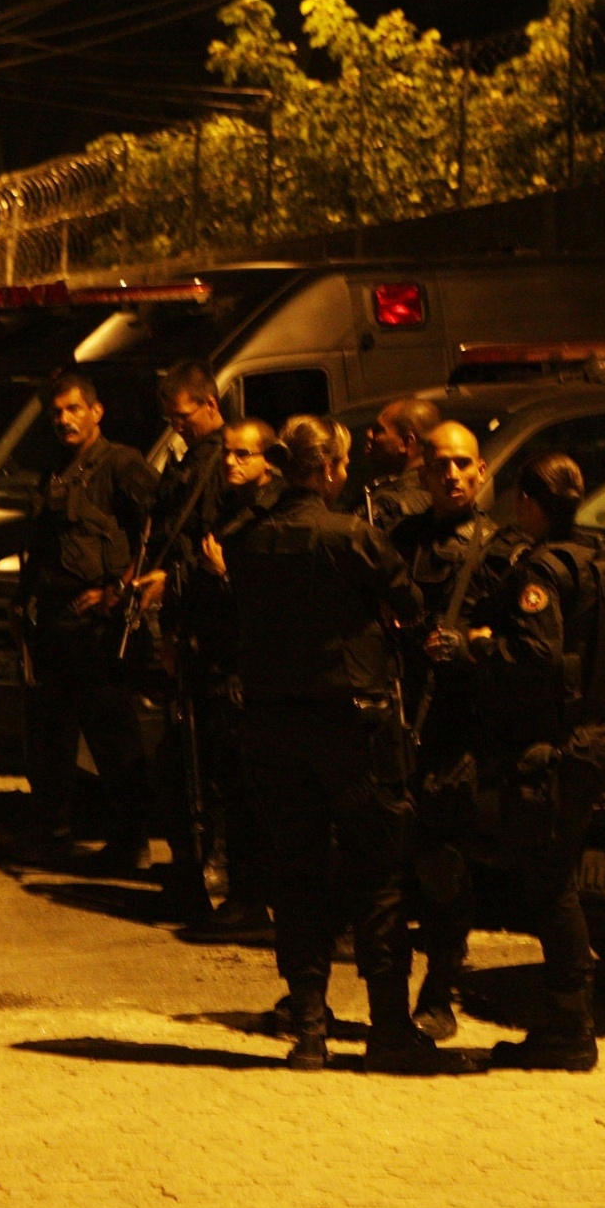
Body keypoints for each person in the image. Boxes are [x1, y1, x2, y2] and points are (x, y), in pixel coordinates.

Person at [222, 415, 466, 1074]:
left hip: (274, 726)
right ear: (328, 469)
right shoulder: (351, 535)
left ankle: (308, 1029)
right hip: (351, 726)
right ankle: (388, 1025)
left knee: (296, 875)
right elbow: (406, 603)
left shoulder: (247, 537)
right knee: (378, 876)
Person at [463, 453, 605, 1071]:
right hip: (594, 742)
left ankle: (570, 1028)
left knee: (552, 890)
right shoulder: (604, 562)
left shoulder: (542, 567)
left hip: (552, 748)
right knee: (558, 879)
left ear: (531, 503)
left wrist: (477, 648)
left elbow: (534, 657)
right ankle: (568, 1022)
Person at [390, 421, 529, 1040]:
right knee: (389, 867)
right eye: (440, 464)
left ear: (481, 474)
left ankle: (439, 991)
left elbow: (528, 650)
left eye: (462, 464)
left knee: (445, 866)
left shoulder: (505, 553)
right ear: (422, 474)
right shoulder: (400, 540)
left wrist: (474, 648)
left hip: (460, 731)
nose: (451, 474)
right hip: (399, 725)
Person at [9, 372, 158, 869]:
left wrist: (117, 591)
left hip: (100, 626)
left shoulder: (123, 465)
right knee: (51, 738)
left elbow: (153, 533)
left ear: (97, 411)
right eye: (56, 412)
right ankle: (52, 833)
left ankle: (129, 841)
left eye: (74, 409)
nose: (64, 419)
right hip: (55, 621)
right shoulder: (56, 467)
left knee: (113, 738)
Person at [135, 360, 233, 918]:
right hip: (185, 628)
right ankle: (190, 870)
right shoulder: (189, 462)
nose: (178, 428)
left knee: (212, 768)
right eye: (170, 419)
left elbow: (217, 546)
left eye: (183, 417)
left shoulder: (222, 462)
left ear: (210, 405)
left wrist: (170, 580)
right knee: (180, 763)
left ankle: (218, 877)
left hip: (214, 632)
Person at [181, 416, 284, 943]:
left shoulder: (271, 515)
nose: (230, 463)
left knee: (253, 793)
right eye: (226, 453)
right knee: (228, 786)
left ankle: (255, 897)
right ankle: (242, 891)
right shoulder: (224, 508)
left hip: (254, 670)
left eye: (244, 454)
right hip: (219, 663)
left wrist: (222, 577)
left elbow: (271, 602)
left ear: (268, 459)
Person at [356, 398, 440, 532]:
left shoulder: (388, 504)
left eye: (379, 430)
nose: (369, 434)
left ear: (406, 442)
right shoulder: (441, 495)